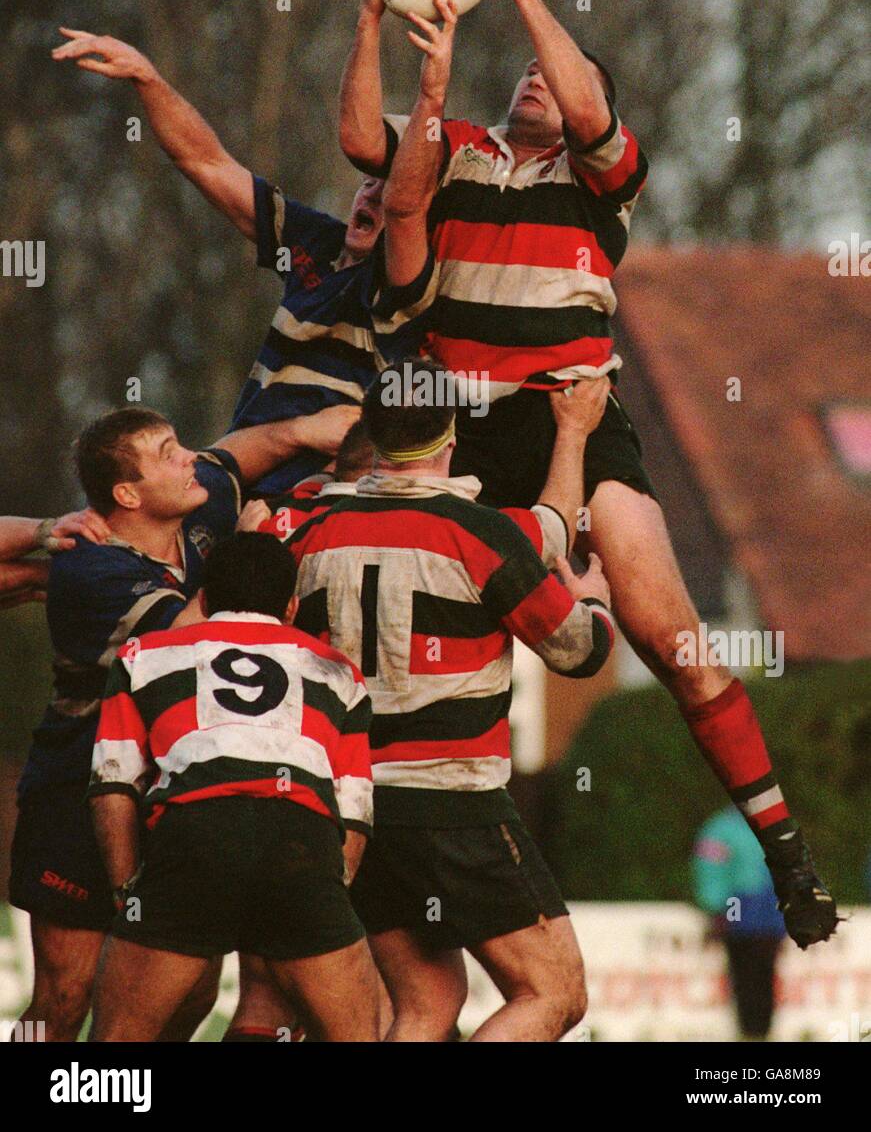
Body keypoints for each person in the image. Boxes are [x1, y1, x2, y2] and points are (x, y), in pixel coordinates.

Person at [338, 0, 838, 949]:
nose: (533, 80)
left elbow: (590, 110)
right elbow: (361, 145)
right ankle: (344, 832)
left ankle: (784, 853)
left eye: (551, 75)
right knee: (392, 625)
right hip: (462, 430)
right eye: (521, 70)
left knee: (677, 642)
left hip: (575, 417)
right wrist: (367, 19)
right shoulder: (460, 152)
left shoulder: (603, 184)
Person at [289, 359, 615, 1042]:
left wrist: (572, 434)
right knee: (553, 994)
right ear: (452, 432)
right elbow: (575, 652)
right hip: (452, 804)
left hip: (353, 809)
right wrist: (594, 607)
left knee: (427, 1001)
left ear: (371, 436)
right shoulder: (480, 534)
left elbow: (543, 530)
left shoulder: (313, 532)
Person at [9, 402, 347, 1041]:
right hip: (75, 796)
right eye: (166, 452)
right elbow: (195, 643)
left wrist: (307, 429)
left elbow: (248, 448)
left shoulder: (197, 502)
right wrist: (255, 549)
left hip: (167, 796)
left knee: (188, 992)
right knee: (62, 997)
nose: (188, 455)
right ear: (128, 493)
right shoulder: (93, 566)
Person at [51, 0, 437, 498]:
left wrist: (431, 86)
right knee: (91, 540)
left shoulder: (404, 281)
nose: (371, 198)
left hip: (319, 490)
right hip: (240, 470)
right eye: (369, 184)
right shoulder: (313, 243)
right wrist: (147, 78)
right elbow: (205, 161)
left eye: (389, 196)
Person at [87, 531, 377, 1043]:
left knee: (119, 1042)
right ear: (290, 607)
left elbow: (113, 783)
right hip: (300, 841)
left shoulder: (140, 657)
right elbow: (353, 807)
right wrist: (329, 893)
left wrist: (126, 890)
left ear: (203, 600)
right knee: (353, 1035)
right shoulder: (340, 673)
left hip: (194, 835)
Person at [693, 806, 787, 1041]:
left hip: (766, 911)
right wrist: (717, 908)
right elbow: (710, 870)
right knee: (746, 972)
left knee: (762, 973)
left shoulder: (769, 825)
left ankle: (759, 1031)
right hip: (741, 910)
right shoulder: (724, 828)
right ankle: (751, 1030)